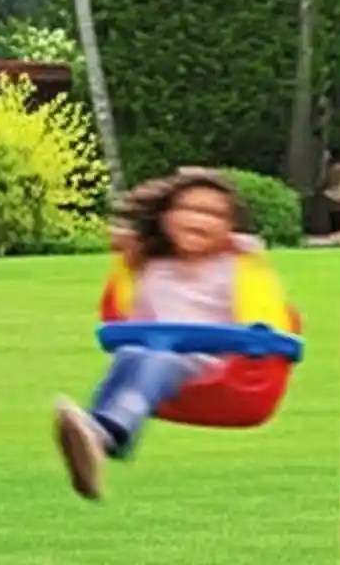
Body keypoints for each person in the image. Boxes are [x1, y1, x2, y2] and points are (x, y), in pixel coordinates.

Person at [53, 167, 267, 500]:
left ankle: (103, 434)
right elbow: (123, 300)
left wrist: (239, 245)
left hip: (210, 364)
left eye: (214, 214)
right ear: (166, 217)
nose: (199, 219)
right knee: (132, 355)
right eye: (188, 209)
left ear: (230, 226)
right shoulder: (151, 263)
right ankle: (97, 438)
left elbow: (256, 271)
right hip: (151, 348)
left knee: (158, 361)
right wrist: (126, 250)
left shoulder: (234, 264)